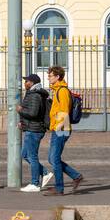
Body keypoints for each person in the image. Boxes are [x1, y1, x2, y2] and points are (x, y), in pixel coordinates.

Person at [45, 64, 83, 195]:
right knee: (52, 159)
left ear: (57, 76)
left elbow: (64, 111)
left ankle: (59, 188)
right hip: (59, 128)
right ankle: (76, 176)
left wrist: (58, 126)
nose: (48, 78)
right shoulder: (57, 90)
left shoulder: (62, 91)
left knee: (54, 159)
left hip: (62, 128)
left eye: (50, 76)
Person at [17, 73, 53, 193]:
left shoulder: (34, 95)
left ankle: (35, 183)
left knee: (32, 156)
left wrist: (20, 111)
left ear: (32, 83)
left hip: (34, 130)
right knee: (25, 154)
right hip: (31, 128)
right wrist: (23, 123)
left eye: (26, 81)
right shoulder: (33, 93)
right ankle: (45, 173)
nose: (25, 83)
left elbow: (33, 113)